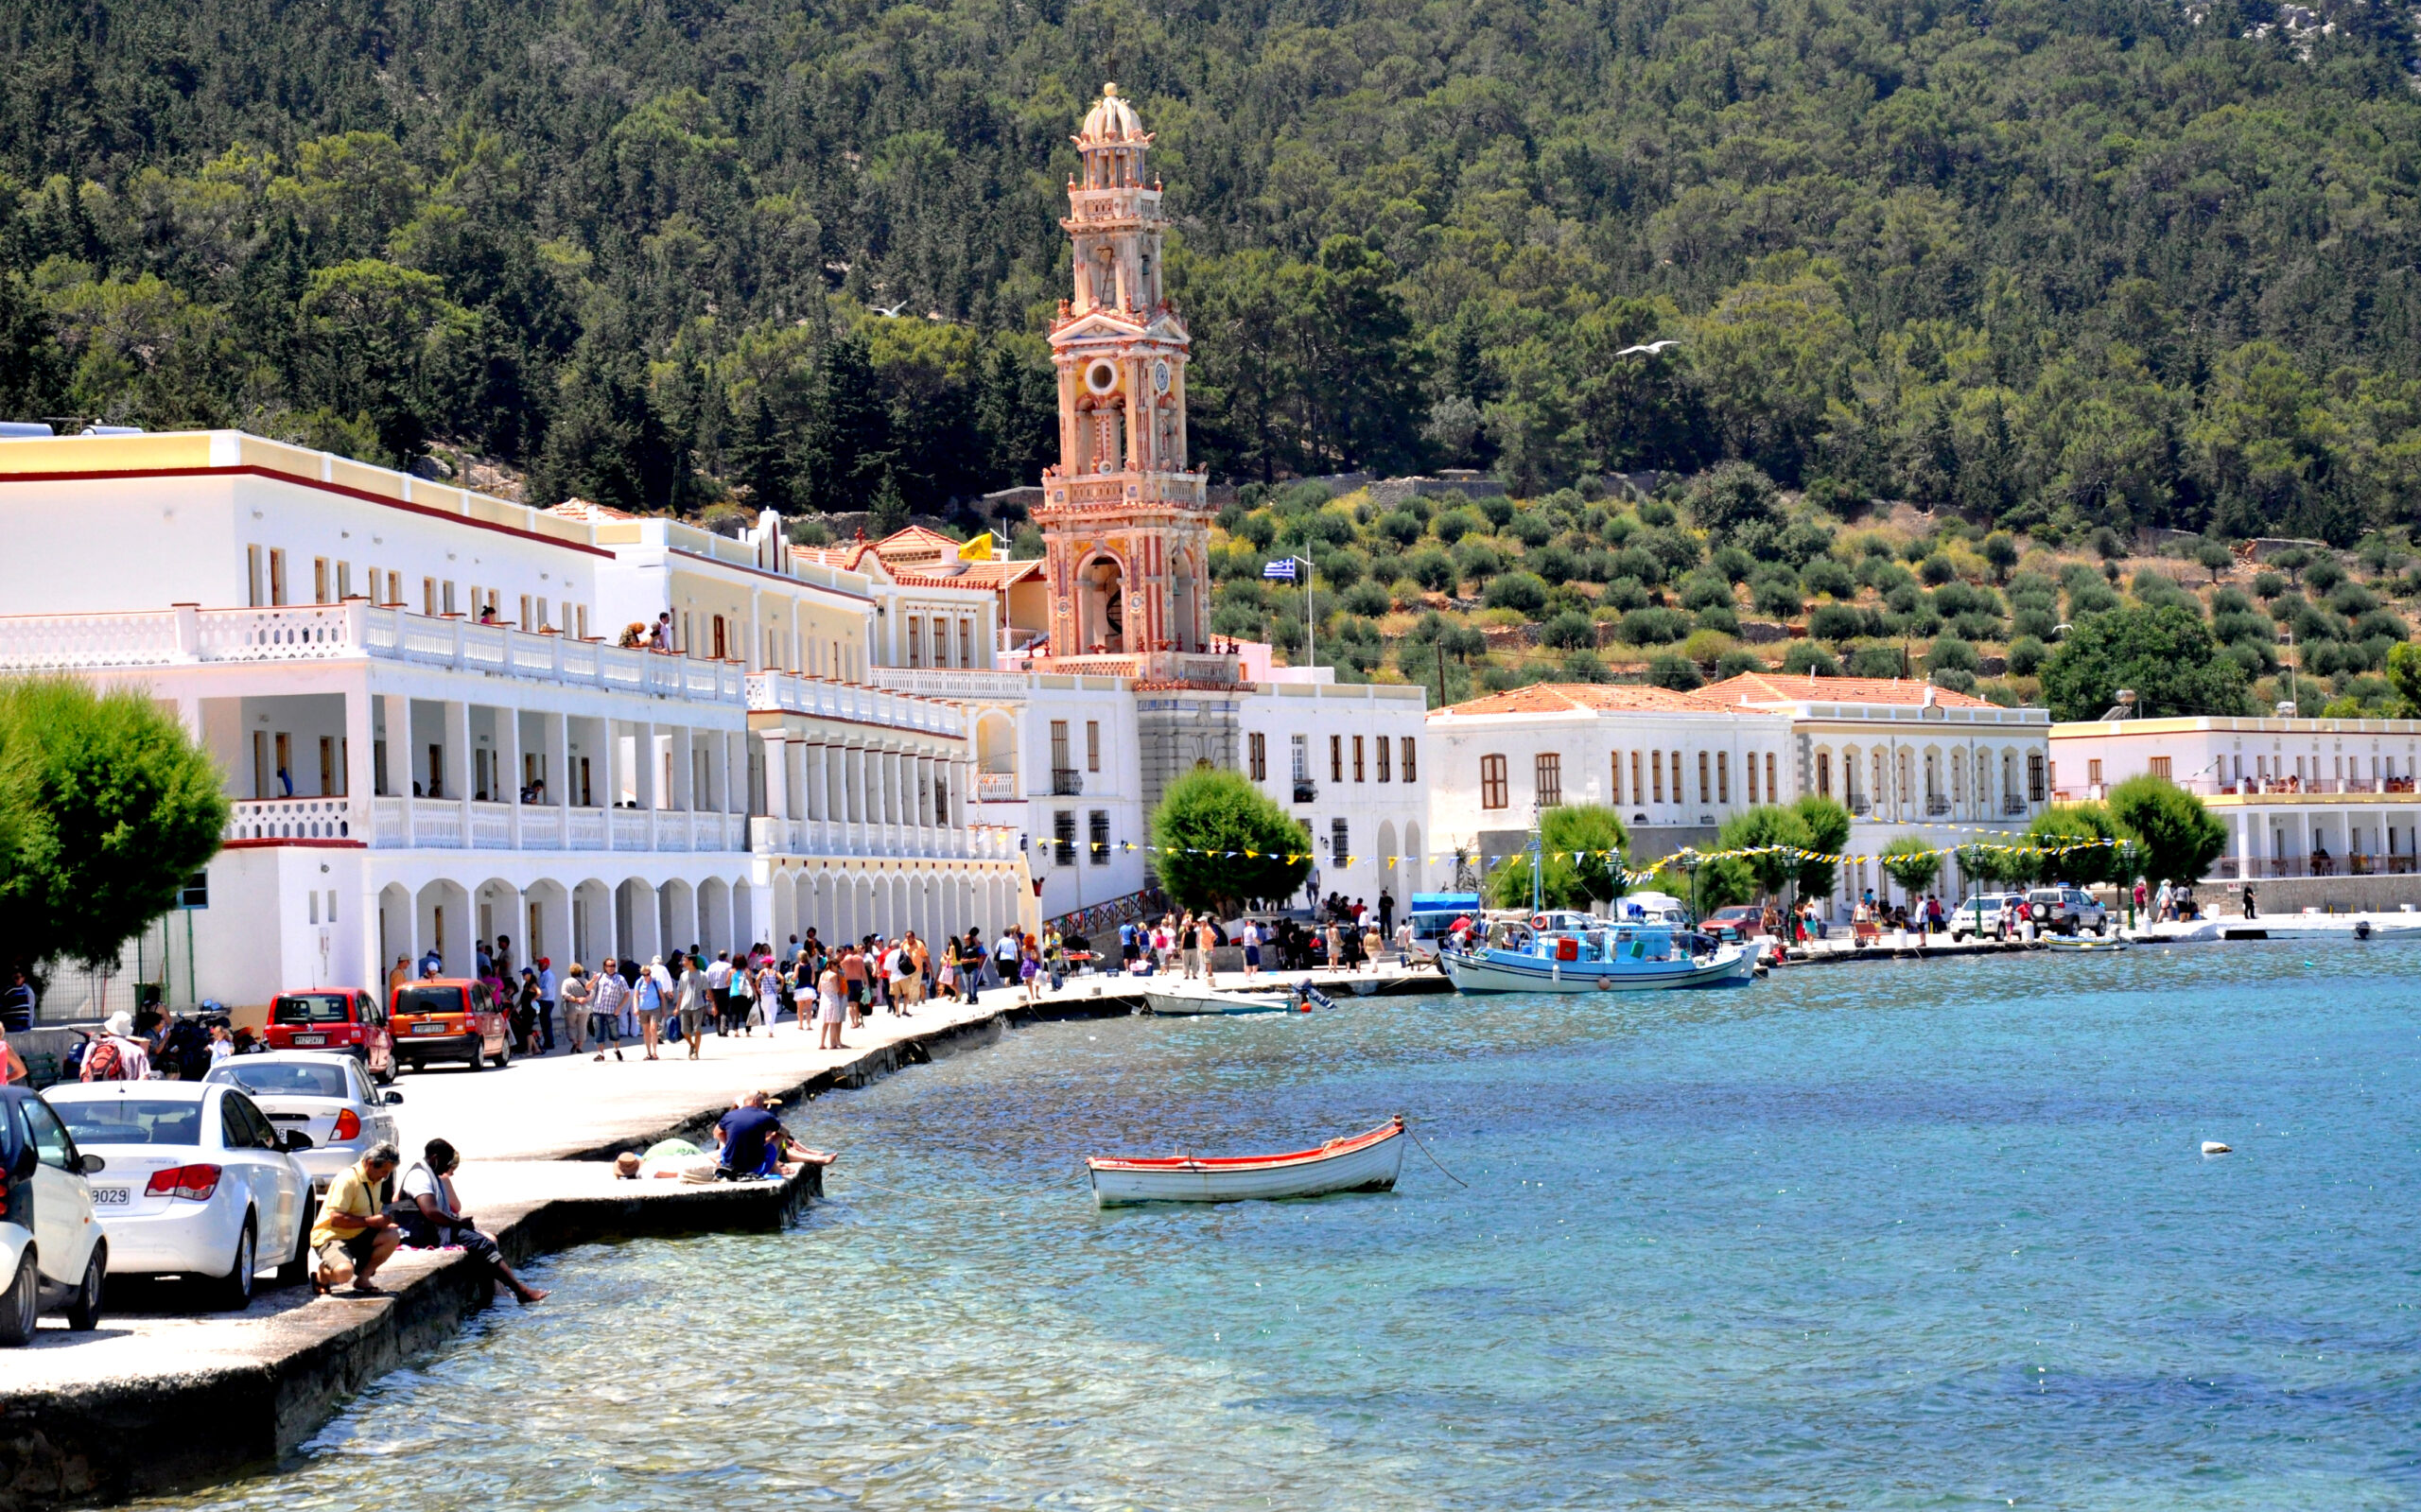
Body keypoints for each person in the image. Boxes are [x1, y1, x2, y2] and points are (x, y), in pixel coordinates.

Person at [392, 1138, 548, 1305]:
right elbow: (431, 1212)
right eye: (447, 1162)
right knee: (483, 1244)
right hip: (426, 1235)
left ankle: (492, 1299)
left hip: (440, 1229)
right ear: (435, 1158)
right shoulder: (419, 1176)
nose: (448, 1167)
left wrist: (460, 1223)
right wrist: (458, 1224)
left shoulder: (433, 1174)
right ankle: (520, 1291)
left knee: (484, 1242)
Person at [312, 1142, 403, 1295]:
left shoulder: (377, 1180)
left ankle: (363, 1279)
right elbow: (336, 1219)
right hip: (332, 1237)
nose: (385, 1176)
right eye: (383, 1171)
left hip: (359, 1234)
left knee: (392, 1236)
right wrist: (370, 1221)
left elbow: (370, 1211)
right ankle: (322, 1275)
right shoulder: (347, 1180)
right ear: (370, 1163)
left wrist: (382, 1223)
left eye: (388, 1172)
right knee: (344, 1273)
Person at [714, 1091, 792, 1179]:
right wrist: (771, 1136)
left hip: (729, 1168)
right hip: (756, 1169)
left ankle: (723, 1161)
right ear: (756, 1101)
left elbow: (716, 1132)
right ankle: (774, 1168)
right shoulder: (765, 1116)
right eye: (763, 1104)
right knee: (779, 1135)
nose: (764, 1108)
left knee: (721, 1133)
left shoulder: (729, 1115)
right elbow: (786, 1132)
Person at [80, 1011, 152, 1082]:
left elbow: (83, 1071)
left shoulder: (93, 1046)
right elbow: (144, 1077)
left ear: (108, 1029)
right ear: (127, 1031)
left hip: (95, 1091)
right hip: (126, 1092)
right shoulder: (137, 1051)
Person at [590, 959, 627, 1061]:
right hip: (598, 1010)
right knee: (599, 1033)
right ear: (604, 967)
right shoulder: (599, 977)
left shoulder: (620, 979)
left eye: (613, 965)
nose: (611, 968)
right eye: (609, 965)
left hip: (612, 1011)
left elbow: (626, 993)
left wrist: (619, 1007)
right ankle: (601, 1054)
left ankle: (616, 1049)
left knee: (614, 1034)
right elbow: (588, 988)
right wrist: (593, 980)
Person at [635, 955, 670, 1061]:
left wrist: (664, 1010)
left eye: (648, 974)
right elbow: (636, 996)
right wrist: (635, 1007)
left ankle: (655, 1052)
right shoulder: (639, 982)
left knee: (653, 1029)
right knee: (645, 1031)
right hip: (643, 1009)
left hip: (655, 1008)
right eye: (644, 975)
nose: (646, 976)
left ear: (650, 973)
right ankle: (648, 1052)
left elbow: (662, 997)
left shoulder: (656, 982)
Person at [675, 953, 706, 1060]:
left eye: (684, 960)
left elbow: (708, 990)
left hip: (698, 1005)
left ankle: (696, 1053)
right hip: (685, 1006)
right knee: (685, 1032)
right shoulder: (683, 975)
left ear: (691, 961)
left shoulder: (702, 974)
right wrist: (677, 1007)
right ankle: (692, 1045)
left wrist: (713, 1006)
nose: (682, 962)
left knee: (697, 1030)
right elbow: (680, 993)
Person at [559, 964, 590, 1056]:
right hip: (585, 1006)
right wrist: (585, 999)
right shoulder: (585, 981)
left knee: (570, 1025)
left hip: (572, 1006)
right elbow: (592, 992)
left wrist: (574, 999)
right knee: (582, 1026)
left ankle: (574, 1042)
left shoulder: (566, 981)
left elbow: (564, 993)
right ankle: (580, 1046)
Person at [816, 956, 846, 1050]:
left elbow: (819, 989)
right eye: (837, 966)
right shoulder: (833, 976)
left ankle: (821, 1043)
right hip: (832, 999)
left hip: (824, 999)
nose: (838, 968)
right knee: (833, 1022)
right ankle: (832, 1043)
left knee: (825, 1023)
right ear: (832, 965)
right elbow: (837, 990)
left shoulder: (822, 975)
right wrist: (838, 983)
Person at [535, 957, 559, 1053]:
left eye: (540, 964)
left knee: (546, 1023)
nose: (539, 966)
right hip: (543, 1001)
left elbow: (547, 991)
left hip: (546, 1001)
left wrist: (536, 992)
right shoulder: (542, 975)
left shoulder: (548, 976)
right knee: (544, 1023)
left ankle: (550, 1042)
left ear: (546, 965)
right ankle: (547, 1041)